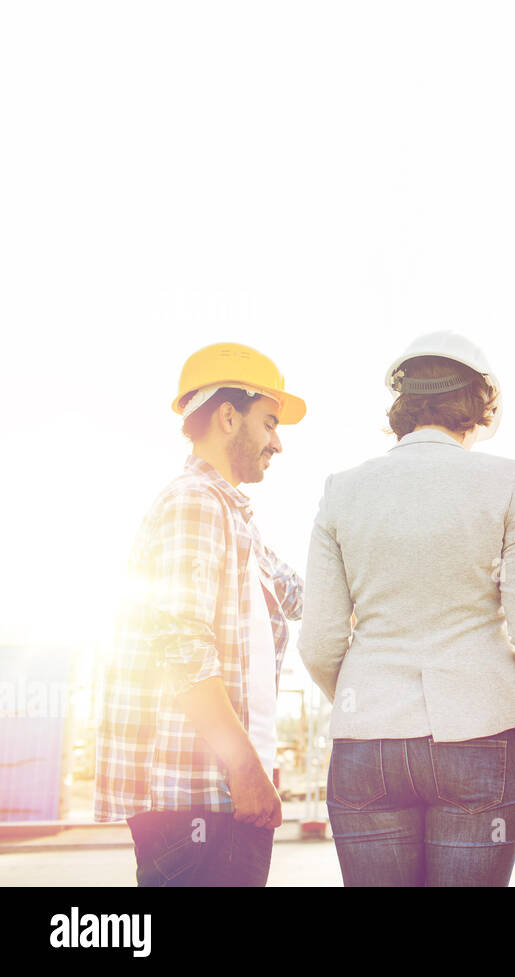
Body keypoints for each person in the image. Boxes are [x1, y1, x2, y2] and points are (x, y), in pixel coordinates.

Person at [299, 331, 515, 887]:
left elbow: (319, 642)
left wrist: (367, 698)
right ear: (480, 405)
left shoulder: (341, 490)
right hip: (480, 734)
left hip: (367, 738)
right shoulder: (507, 481)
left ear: (400, 404)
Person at [94, 342, 306, 886]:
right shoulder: (195, 503)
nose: (278, 442)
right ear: (229, 417)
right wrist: (246, 771)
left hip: (214, 799)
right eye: (270, 422)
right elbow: (182, 650)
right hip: (198, 798)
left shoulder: (235, 517)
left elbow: (303, 595)